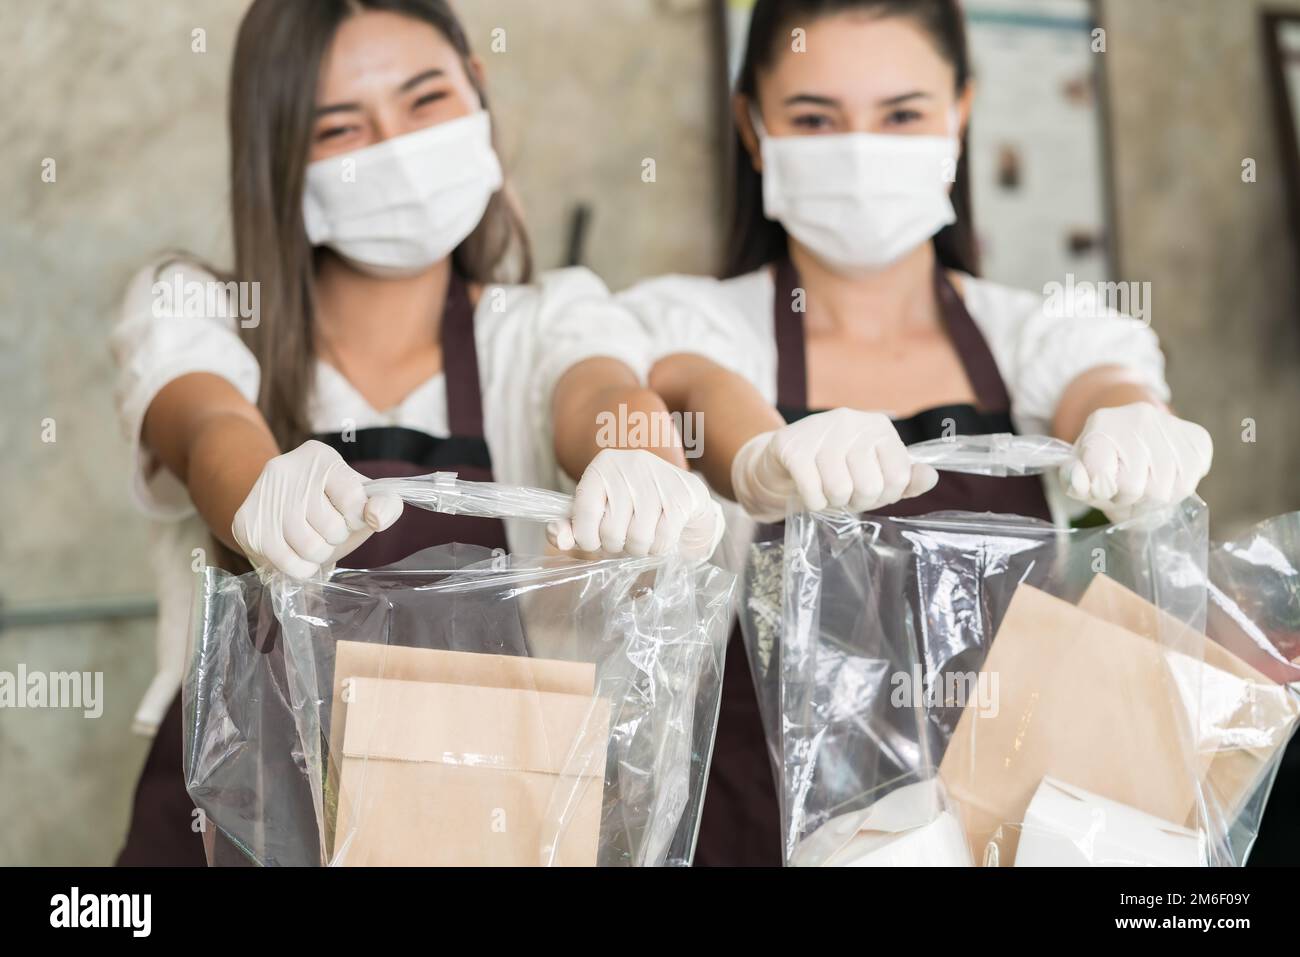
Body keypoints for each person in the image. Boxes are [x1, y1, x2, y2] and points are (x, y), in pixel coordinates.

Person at [110, 0, 720, 866]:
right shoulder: (196, 307)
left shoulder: (539, 319)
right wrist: (259, 492)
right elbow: (207, 420)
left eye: (424, 99)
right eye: (341, 126)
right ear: (279, 154)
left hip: (478, 810)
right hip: (229, 818)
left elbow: (602, 387)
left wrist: (639, 458)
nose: (393, 145)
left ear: (479, 87)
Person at [615, 0, 1213, 865]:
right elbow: (690, 387)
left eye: (902, 115)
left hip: (1013, 829)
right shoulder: (700, 321)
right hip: (762, 834)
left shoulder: (1034, 332)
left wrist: (1133, 424)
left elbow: (1101, 381)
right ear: (754, 128)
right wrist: (759, 455)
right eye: (816, 117)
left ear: (960, 115)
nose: (861, 149)